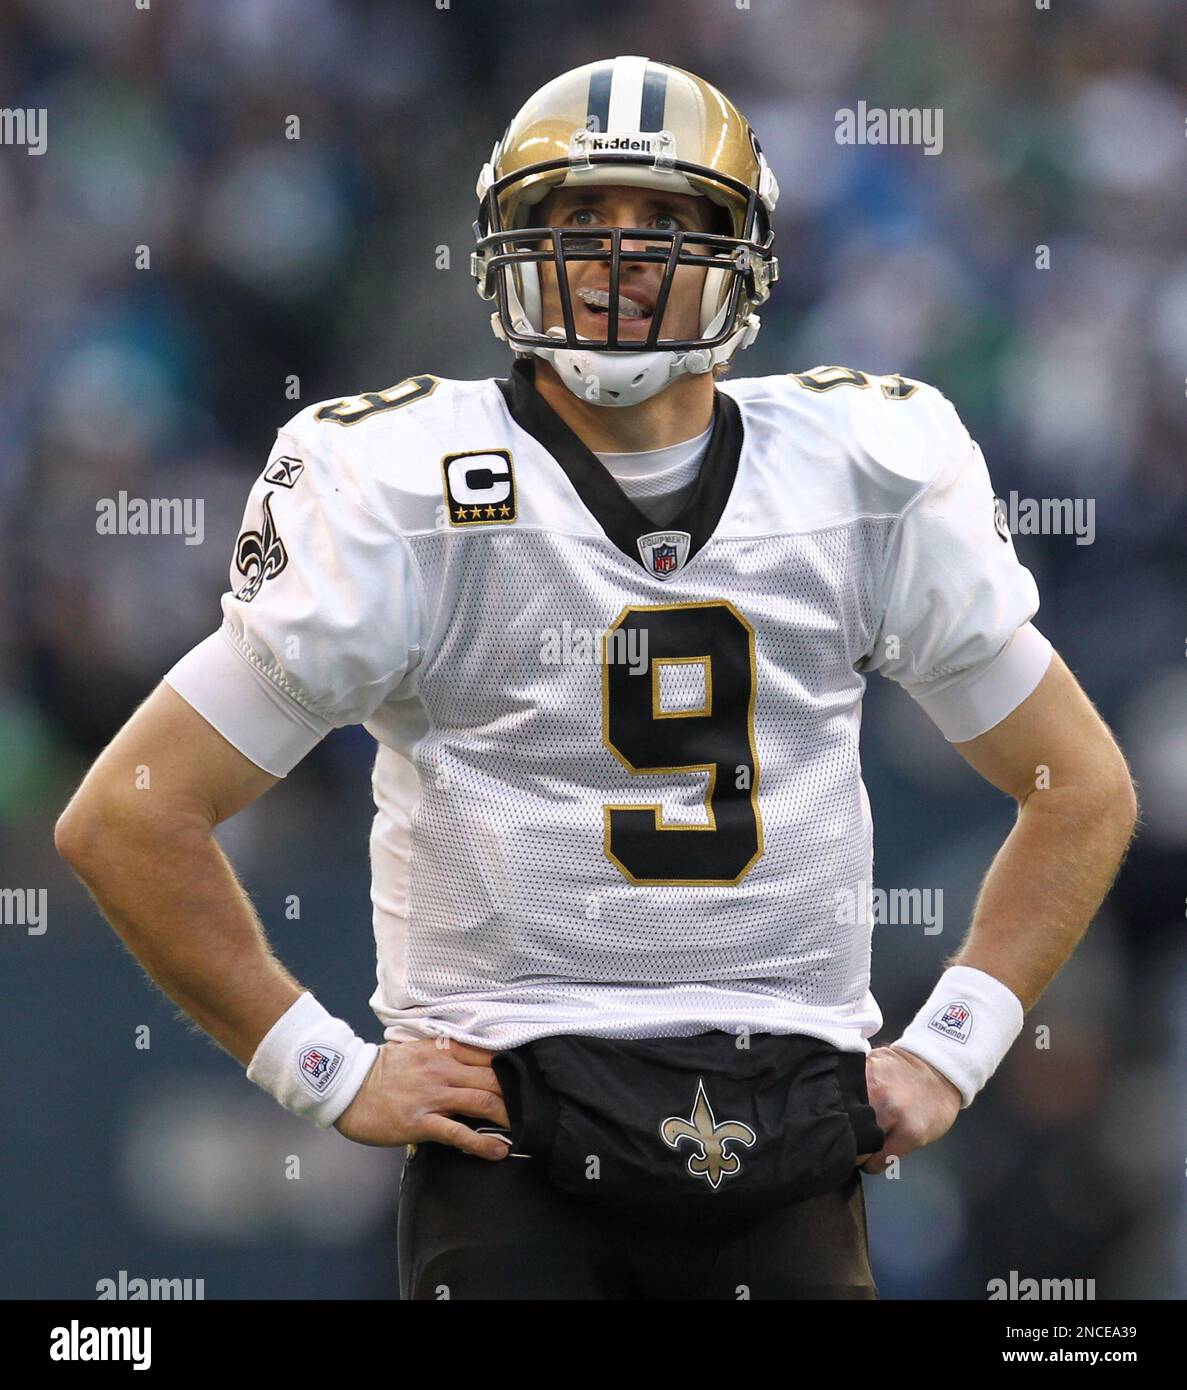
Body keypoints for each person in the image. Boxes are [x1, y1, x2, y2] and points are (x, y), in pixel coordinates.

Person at [55, 56, 1137, 1300]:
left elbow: (1078, 785)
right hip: (514, 1137)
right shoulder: (406, 481)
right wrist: (323, 1066)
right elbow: (129, 812)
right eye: (579, 219)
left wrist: (951, 1047)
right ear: (511, 246)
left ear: (742, 254)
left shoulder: (858, 469)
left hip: (788, 1133)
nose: (618, 255)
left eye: (666, 221)